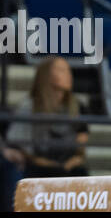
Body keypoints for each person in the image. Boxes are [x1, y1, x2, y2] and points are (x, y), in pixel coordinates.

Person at [1, 57, 89, 192]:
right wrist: (48, 164)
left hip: (68, 167)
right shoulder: (29, 106)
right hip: (35, 166)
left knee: (81, 175)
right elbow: (21, 148)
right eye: (61, 70)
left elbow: (80, 150)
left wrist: (71, 162)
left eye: (68, 70)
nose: (68, 74)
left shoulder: (78, 107)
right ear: (47, 75)